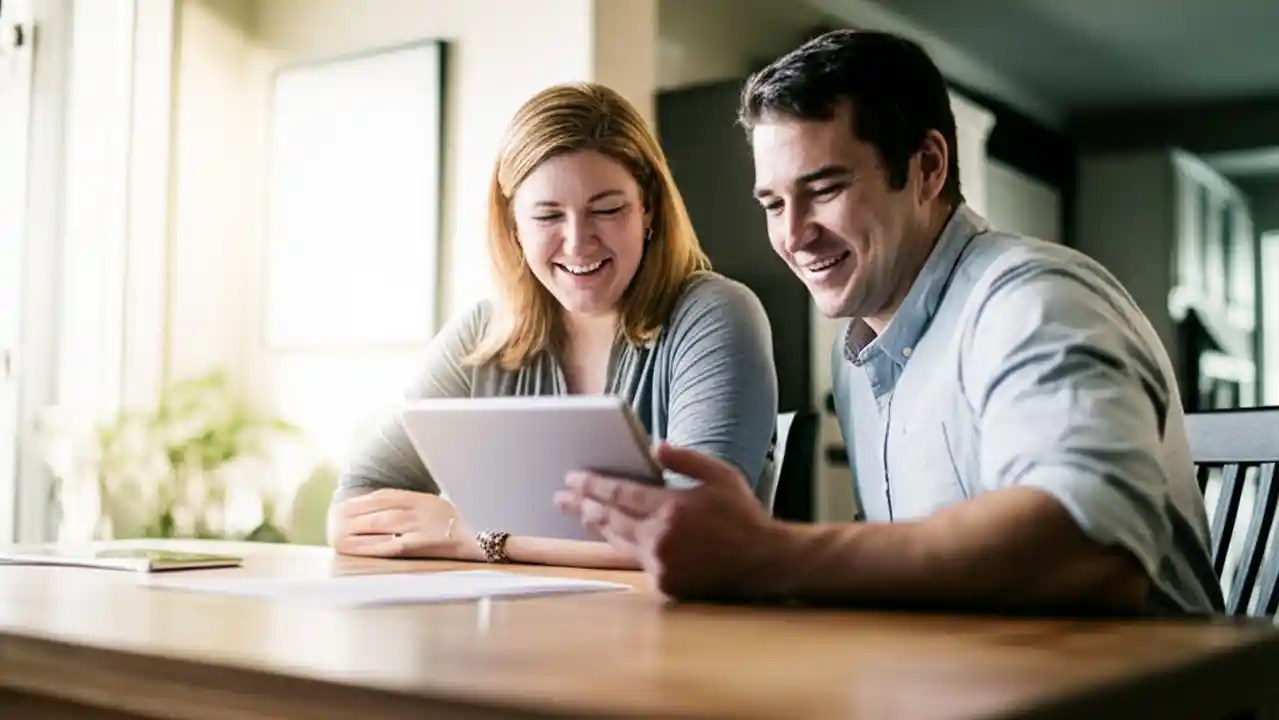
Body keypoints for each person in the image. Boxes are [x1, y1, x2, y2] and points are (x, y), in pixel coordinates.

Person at [555, 30, 1224, 614]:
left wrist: (766, 553)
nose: (795, 235)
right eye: (773, 202)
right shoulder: (864, 351)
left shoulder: (1031, 301)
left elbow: (1090, 551)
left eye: (825, 189)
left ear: (927, 166)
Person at [328, 82, 778, 569]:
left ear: (647, 208)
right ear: (514, 225)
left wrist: (476, 536)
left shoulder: (713, 313)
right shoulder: (484, 332)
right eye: (546, 216)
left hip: (678, 638)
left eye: (607, 210)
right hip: (522, 633)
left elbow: (692, 532)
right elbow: (353, 510)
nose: (578, 243)